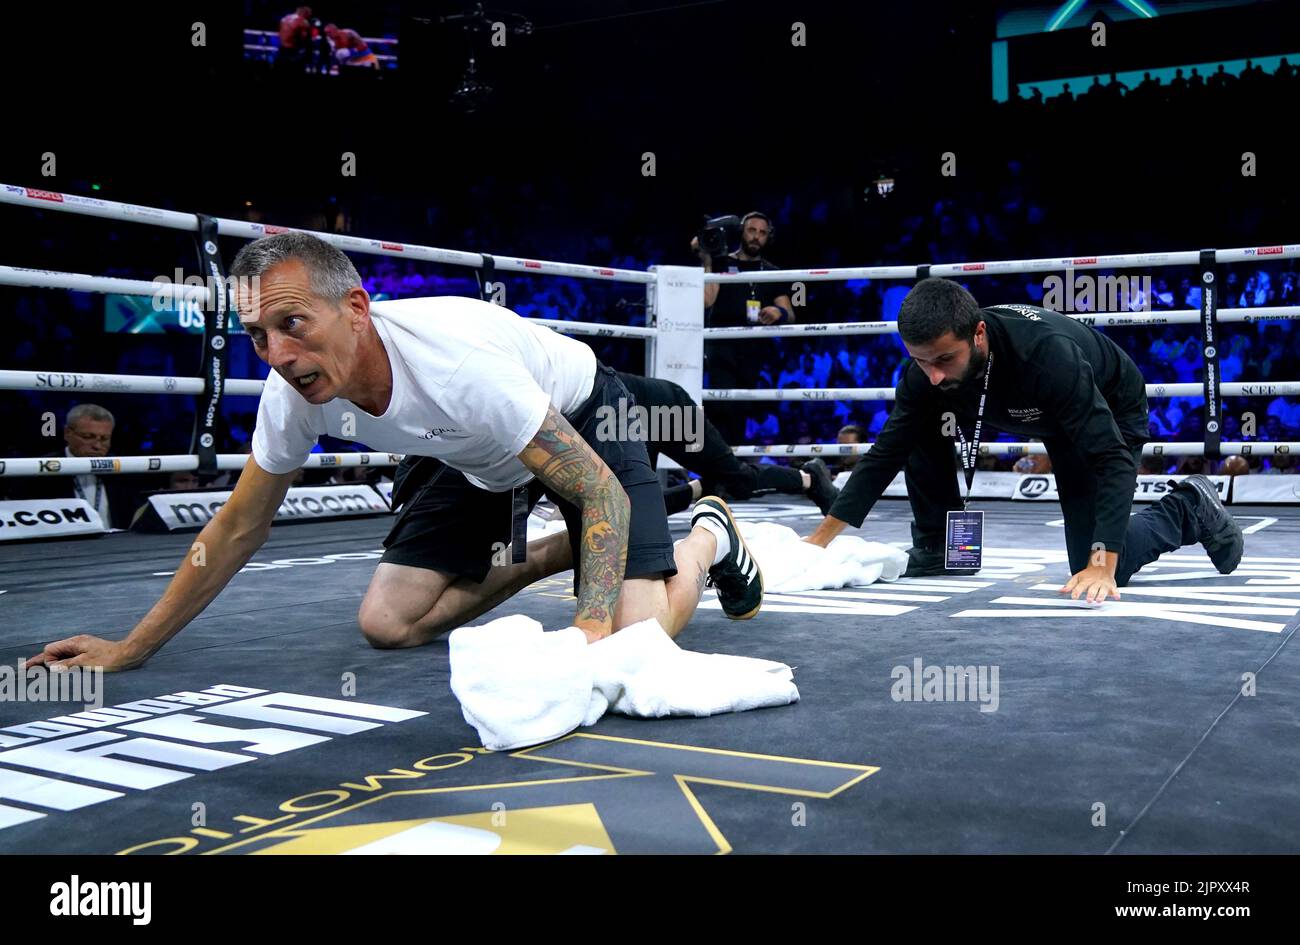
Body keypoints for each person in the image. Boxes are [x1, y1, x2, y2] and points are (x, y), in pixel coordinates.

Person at [27, 233, 763, 671]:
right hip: (477, 456)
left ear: (355, 309)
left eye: (292, 323)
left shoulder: (459, 363)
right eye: (257, 336)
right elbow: (235, 528)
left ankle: (707, 536)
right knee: (388, 623)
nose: (277, 355)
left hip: (582, 418)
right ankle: (553, 553)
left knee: (631, 643)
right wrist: (132, 647)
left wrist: (588, 631)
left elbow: (599, 490)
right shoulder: (294, 393)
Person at [804, 278, 1244, 602]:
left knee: (1090, 565)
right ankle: (943, 548)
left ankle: (1187, 506)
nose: (933, 373)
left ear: (978, 334)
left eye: (943, 358)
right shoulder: (928, 374)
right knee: (917, 421)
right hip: (1043, 411)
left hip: (1105, 408)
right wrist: (818, 543)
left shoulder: (1047, 357)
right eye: (920, 360)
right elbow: (887, 453)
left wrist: (1102, 564)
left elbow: (1111, 457)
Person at [614, 371, 839, 515]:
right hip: (619, 416)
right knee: (635, 510)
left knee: (736, 478)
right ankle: (701, 489)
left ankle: (810, 478)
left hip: (657, 405)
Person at [10, 404, 141, 530]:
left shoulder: (122, 470)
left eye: (104, 439)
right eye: (88, 437)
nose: (97, 446)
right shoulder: (39, 472)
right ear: (67, 433)